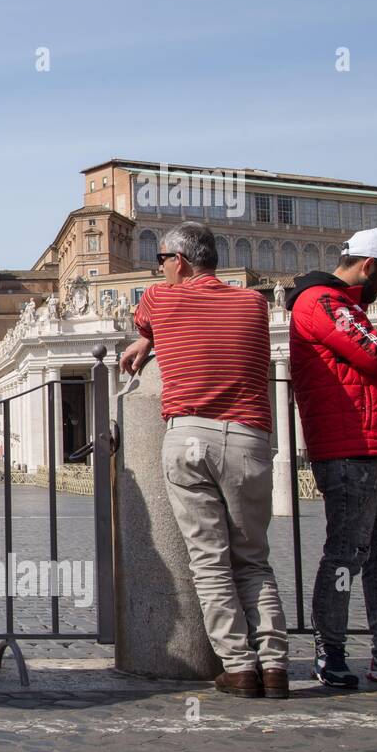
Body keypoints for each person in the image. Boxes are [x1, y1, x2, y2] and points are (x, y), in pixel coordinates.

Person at [119, 221, 289, 699]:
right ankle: (275, 665)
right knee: (254, 558)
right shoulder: (254, 303)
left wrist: (146, 340)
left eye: (163, 259)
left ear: (182, 261)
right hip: (251, 439)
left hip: (192, 435)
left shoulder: (158, 299)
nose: (160, 268)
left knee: (209, 561)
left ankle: (239, 666)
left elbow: (155, 323)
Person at [286, 229, 377, 687]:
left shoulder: (348, 308)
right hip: (350, 447)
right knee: (346, 556)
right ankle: (330, 652)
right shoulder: (321, 302)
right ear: (369, 265)